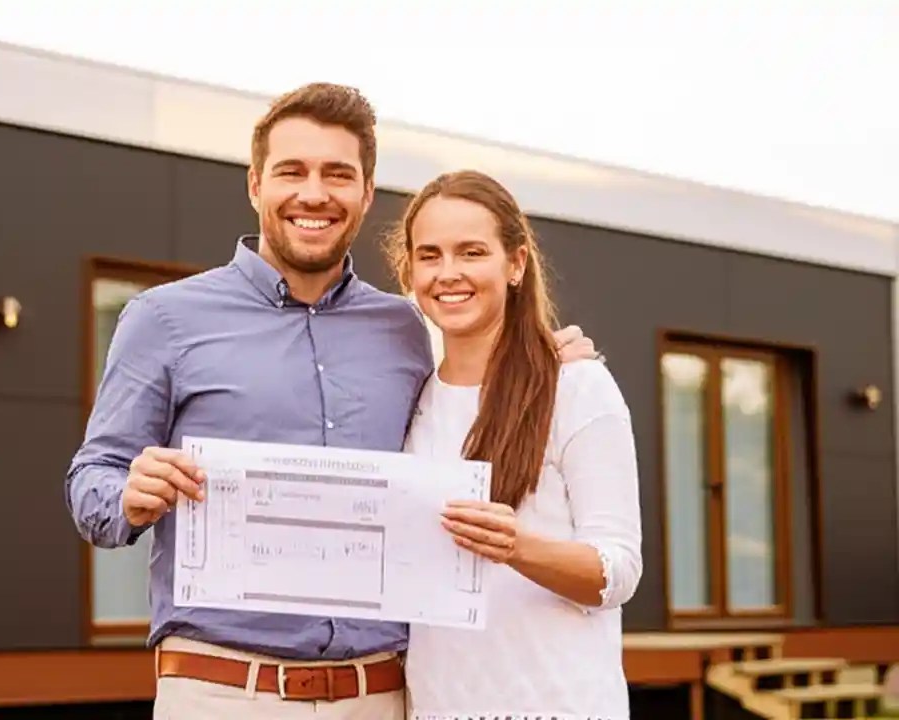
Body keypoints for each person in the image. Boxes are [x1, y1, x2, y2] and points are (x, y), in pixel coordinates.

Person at [65, 83, 596, 719]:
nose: (314, 194)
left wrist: (545, 361)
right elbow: (90, 483)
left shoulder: (409, 330)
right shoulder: (163, 319)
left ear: (366, 193)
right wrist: (128, 493)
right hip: (223, 695)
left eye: (338, 174)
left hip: (379, 696)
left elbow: (478, 378)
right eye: (292, 171)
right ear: (255, 185)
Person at [386, 169, 642, 719]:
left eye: (471, 252)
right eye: (430, 256)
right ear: (410, 271)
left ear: (516, 263)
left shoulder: (577, 386)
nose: (448, 273)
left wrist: (516, 546)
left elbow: (618, 570)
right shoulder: (408, 399)